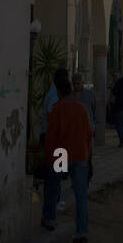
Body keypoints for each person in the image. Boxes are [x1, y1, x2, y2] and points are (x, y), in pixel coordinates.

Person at [45, 73, 93, 243]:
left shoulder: (58, 109)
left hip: (61, 154)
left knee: (54, 186)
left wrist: (49, 156)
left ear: (59, 92)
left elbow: (52, 136)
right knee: (81, 195)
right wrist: (87, 154)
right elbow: (89, 133)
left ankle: (50, 219)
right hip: (80, 154)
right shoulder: (81, 108)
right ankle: (81, 231)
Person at [40, 69, 66, 225]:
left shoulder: (54, 94)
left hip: (55, 141)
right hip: (55, 141)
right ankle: (51, 210)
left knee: (55, 175)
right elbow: (52, 117)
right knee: (54, 177)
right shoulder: (55, 96)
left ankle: (53, 205)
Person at [71, 72, 97, 182]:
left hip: (87, 129)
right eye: (75, 84)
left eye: (78, 83)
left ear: (83, 83)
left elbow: (94, 110)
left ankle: (87, 178)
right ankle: (76, 178)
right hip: (75, 130)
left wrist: (94, 126)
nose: (77, 86)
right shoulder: (71, 96)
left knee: (88, 155)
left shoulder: (90, 94)